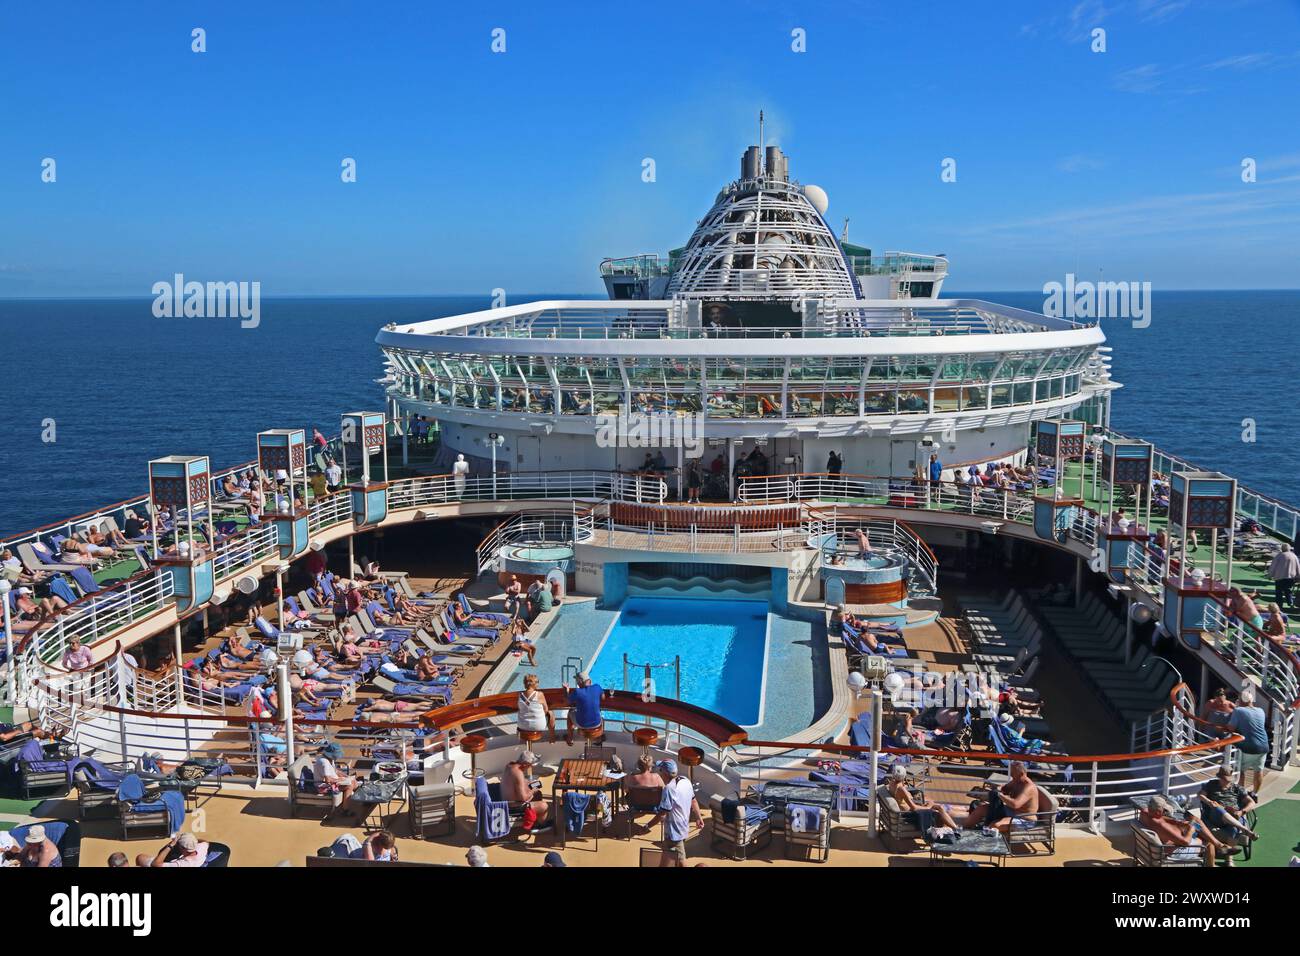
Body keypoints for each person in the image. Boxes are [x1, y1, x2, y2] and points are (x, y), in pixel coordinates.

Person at [1139, 795, 1238, 867]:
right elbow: (1185, 842)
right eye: (1164, 810)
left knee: (1196, 821)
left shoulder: (1145, 813)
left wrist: (1177, 822)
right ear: (1158, 811)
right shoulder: (1161, 825)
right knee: (1207, 842)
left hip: (1160, 846)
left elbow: (1159, 818)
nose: (1165, 812)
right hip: (1174, 852)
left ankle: (1219, 845)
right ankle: (1213, 859)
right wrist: (1191, 828)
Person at [641, 759, 703, 866]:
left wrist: (647, 826)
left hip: (674, 833)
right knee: (670, 859)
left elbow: (662, 814)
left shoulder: (669, 789)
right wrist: (698, 817)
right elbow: (694, 800)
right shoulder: (685, 780)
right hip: (683, 828)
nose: (659, 772)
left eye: (660, 770)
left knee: (680, 861)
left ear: (665, 773)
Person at [963, 761, 1043, 832]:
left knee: (995, 825)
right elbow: (1005, 788)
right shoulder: (1017, 780)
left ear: (1021, 774)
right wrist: (998, 788)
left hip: (1024, 819)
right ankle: (963, 830)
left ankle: (985, 839)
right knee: (980, 809)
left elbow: (1015, 804)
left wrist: (1000, 795)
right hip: (1011, 811)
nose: (1011, 776)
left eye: (1013, 774)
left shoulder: (1028, 787)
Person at [885, 764, 965, 830]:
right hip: (910, 814)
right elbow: (914, 808)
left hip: (906, 810)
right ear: (904, 776)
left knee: (934, 804)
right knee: (938, 807)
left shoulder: (891, 784)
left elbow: (903, 800)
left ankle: (953, 823)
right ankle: (955, 828)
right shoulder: (901, 789)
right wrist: (929, 807)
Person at [1199, 766, 1259, 843]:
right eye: (1224, 779)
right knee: (1218, 808)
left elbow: (1252, 802)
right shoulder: (1211, 784)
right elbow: (1200, 795)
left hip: (1234, 815)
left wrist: (1241, 812)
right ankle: (1244, 829)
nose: (1226, 781)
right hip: (1216, 816)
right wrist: (1209, 802)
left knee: (1233, 830)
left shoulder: (1237, 788)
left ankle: (1229, 853)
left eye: (1228, 780)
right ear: (1220, 777)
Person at [1227, 685, 1269, 792]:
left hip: (1248, 747)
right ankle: (1255, 794)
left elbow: (1230, 728)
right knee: (1258, 771)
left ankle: (1242, 794)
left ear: (1241, 701)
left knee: (1240, 771)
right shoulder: (1261, 711)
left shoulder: (1239, 710)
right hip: (1263, 746)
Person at [501, 751, 550, 830]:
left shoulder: (510, 765)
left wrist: (530, 784)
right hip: (514, 807)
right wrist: (532, 790)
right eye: (530, 765)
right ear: (525, 764)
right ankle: (540, 826)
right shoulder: (518, 773)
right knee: (544, 806)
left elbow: (517, 783)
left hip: (507, 800)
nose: (530, 767)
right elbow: (523, 798)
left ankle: (535, 818)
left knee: (538, 793)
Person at [313, 741, 360, 817]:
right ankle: (345, 810)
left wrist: (346, 777)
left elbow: (336, 771)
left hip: (332, 783)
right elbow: (328, 779)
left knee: (353, 781)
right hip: (324, 786)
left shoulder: (330, 759)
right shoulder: (324, 762)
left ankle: (362, 800)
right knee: (349, 785)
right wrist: (340, 780)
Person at [562, 671, 607, 745]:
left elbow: (567, 701)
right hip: (597, 724)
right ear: (590, 681)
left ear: (579, 683)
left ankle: (570, 738)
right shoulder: (597, 687)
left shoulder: (577, 692)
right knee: (601, 716)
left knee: (570, 713)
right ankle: (600, 736)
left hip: (582, 724)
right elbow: (603, 697)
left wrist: (566, 690)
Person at [517, 673, 555, 741]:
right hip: (538, 726)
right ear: (533, 684)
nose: (538, 684)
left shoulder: (520, 695)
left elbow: (519, 708)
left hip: (522, 726)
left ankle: (522, 739)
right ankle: (552, 738)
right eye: (537, 682)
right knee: (551, 713)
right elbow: (546, 709)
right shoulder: (539, 694)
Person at [1268, 543, 1300, 609]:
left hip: (1279, 577)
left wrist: (1270, 575)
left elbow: (1273, 567)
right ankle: (1290, 602)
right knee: (1288, 590)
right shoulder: (1294, 556)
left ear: (1282, 549)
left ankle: (1279, 606)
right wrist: (1298, 576)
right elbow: (1298, 567)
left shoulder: (1279, 556)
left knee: (1279, 592)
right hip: (1290, 577)